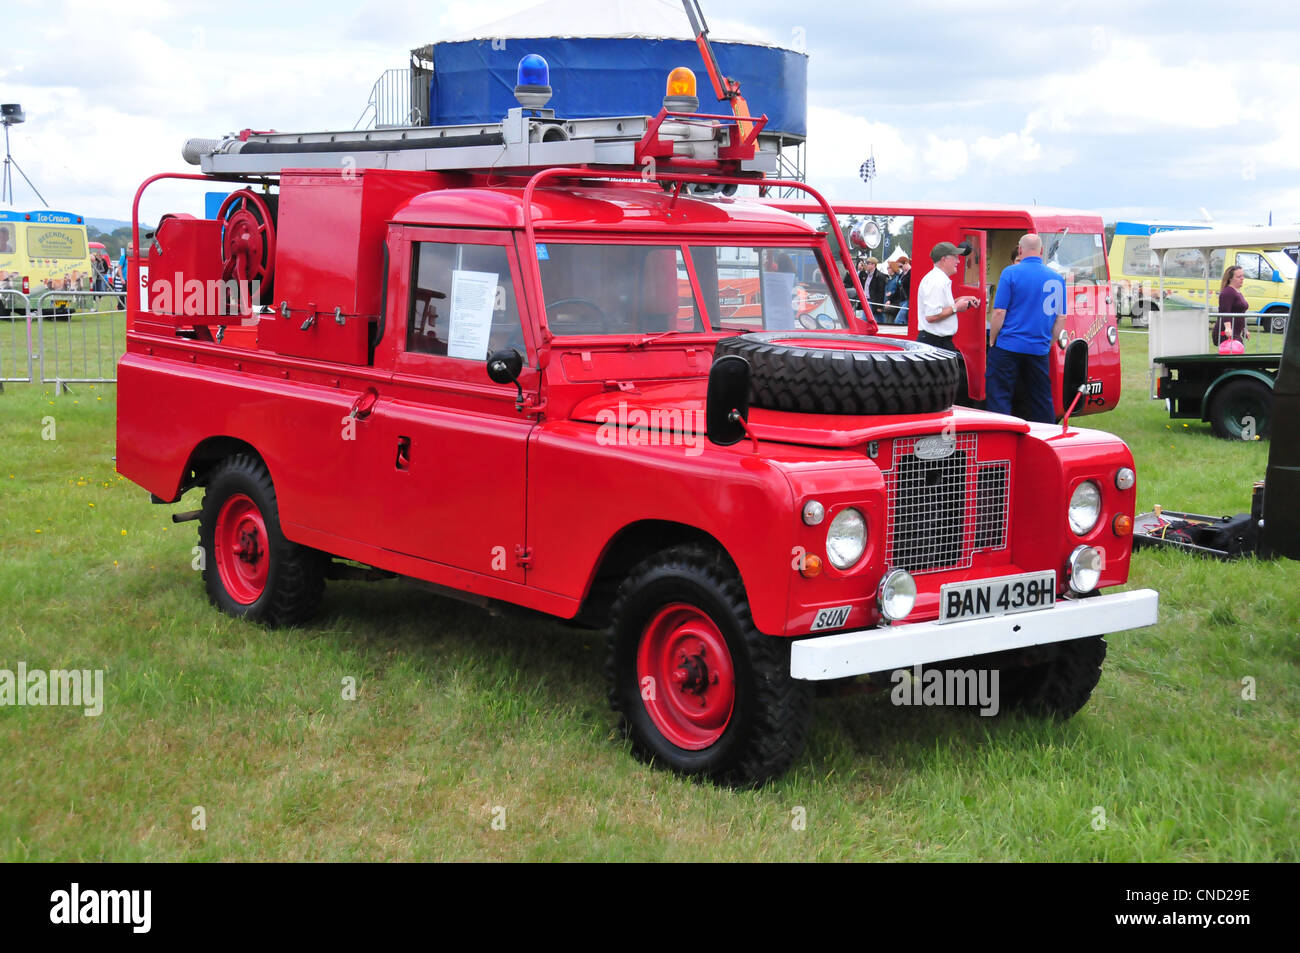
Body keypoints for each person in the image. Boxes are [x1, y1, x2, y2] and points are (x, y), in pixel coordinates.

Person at [986, 233, 1065, 423]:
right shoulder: (1056, 278)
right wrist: (1049, 342)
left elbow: (999, 313)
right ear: (1042, 251)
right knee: (1041, 398)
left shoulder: (1010, 273)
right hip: (1038, 348)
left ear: (1020, 250)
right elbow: (1061, 318)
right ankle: (1047, 436)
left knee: (1000, 396)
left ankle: (1001, 436)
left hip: (1008, 345)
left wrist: (992, 339)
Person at [916, 242, 979, 351]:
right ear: (944, 259)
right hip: (935, 343)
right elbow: (931, 316)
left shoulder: (937, 279)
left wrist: (960, 301)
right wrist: (956, 307)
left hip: (936, 341)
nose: (958, 261)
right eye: (955, 257)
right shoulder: (936, 281)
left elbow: (938, 307)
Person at [1214, 264, 1250, 346]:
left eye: (1242, 276)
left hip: (1235, 333)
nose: (1242, 278)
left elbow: (1240, 313)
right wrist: (1228, 328)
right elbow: (1225, 311)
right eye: (1238, 277)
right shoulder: (1228, 292)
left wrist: (1244, 329)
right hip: (1226, 333)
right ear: (1230, 279)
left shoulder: (1236, 291)